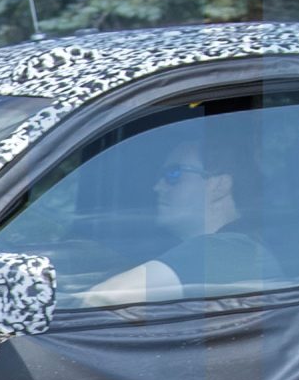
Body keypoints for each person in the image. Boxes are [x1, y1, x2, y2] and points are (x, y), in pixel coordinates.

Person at [80, 123, 277, 306]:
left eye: (173, 174)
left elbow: (104, 298)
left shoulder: (231, 250)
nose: (157, 187)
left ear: (219, 185)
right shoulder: (238, 250)